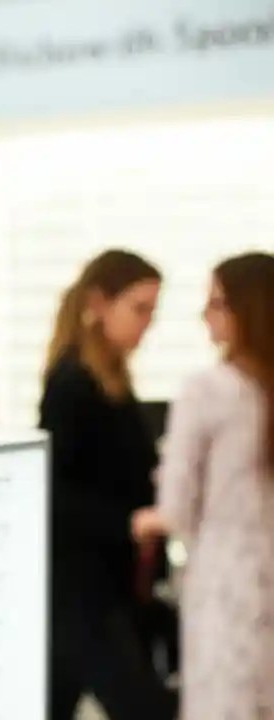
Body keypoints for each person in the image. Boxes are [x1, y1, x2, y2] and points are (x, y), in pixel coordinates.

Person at [37, 249, 176, 720]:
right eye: (139, 309)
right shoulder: (72, 383)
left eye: (152, 312)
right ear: (99, 303)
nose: (147, 325)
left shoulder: (114, 379)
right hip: (82, 589)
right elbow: (55, 492)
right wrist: (128, 522)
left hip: (110, 583)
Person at [138, 252, 274, 719]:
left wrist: (143, 520)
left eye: (216, 303)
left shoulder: (209, 390)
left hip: (224, 582)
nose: (204, 316)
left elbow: (175, 506)